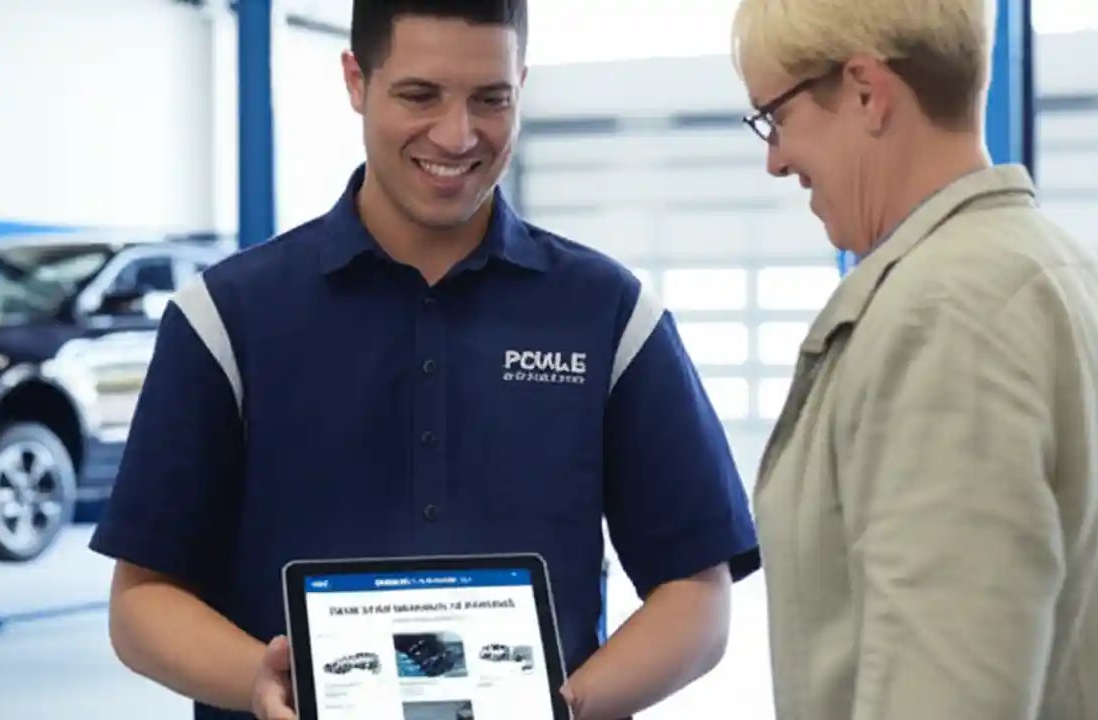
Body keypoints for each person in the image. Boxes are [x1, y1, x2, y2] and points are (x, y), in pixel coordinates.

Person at [89, 1, 760, 719]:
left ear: (521, 87)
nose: (457, 133)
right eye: (419, 95)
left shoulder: (610, 315)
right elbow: (144, 600)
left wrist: (565, 708)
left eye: (490, 99)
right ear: (356, 81)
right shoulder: (224, 318)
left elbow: (697, 592)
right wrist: (260, 681)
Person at [728, 0, 1098, 718]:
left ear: (865, 91)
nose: (774, 160)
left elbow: (947, 691)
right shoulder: (1057, 273)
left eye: (775, 117)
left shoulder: (947, 315)